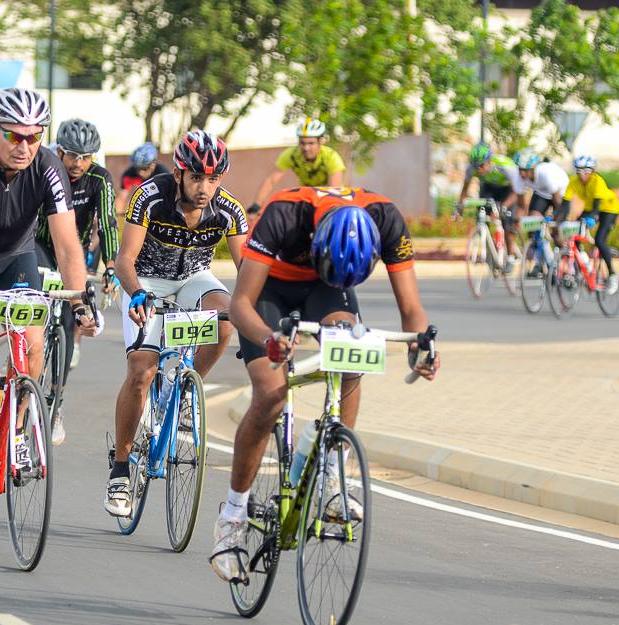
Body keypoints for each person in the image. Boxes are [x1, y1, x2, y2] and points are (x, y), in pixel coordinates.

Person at [211, 185, 440, 582]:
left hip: (329, 287)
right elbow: (241, 303)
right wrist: (270, 338)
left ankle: (331, 469)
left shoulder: (386, 218)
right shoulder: (284, 213)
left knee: (353, 352)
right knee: (270, 394)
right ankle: (232, 517)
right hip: (269, 292)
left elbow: (411, 308)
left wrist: (420, 350)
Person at [0, 87, 97, 503]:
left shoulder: (48, 167)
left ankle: (17, 429)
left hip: (16, 258)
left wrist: (79, 299)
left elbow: (66, 246)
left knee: (34, 338)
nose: (24, 145)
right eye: (14, 136)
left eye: (34, 136)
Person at [104, 130, 248, 517]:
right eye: (198, 178)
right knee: (141, 371)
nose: (205, 188)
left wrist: (256, 311)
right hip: (145, 279)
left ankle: (187, 390)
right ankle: (120, 468)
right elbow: (124, 260)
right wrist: (135, 293)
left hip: (192, 280)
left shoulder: (229, 209)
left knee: (227, 319)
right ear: (181, 173)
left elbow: (247, 269)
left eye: (214, 179)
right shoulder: (150, 195)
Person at [33, 118, 119, 445]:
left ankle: (57, 399)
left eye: (87, 156)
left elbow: (108, 224)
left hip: (74, 251)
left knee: (71, 319)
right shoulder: (45, 168)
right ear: (59, 151)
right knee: (35, 302)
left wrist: (110, 265)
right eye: (73, 155)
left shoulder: (99, 178)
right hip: (39, 245)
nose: (79, 163)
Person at [247, 118, 345, 217]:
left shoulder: (331, 157)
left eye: (311, 143)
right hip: (306, 196)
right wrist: (256, 206)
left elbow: (333, 190)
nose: (306, 148)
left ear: (321, 141)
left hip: (331, 198)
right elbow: (271, 180)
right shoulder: (291, 155)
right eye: (302, 143)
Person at [455, 142, 524, 270]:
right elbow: (464, 190)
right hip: (489, 188)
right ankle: (490, 251)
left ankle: (510, 257)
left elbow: (517, 192)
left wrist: (503, 206)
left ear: (489, 161)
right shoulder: (472, 168)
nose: (478, 169)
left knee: (507, 223)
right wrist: (459, 208)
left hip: (508, 190)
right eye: (476, 166)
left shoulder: (506, 166)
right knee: (481, 217)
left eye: (481, 165)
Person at [557, 155, 619, 295]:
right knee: (574, 234)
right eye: (578, 171)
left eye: (585, 171)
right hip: (591, 209)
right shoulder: (573, 181)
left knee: (599, 239)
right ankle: (584, 262)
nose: (582, 175)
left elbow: (597, 207)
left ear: (591, 171)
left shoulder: (597, 181)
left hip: (609, 209)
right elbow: (565, 203)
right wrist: (556, 218)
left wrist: (593, 217)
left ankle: (612, 274)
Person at [116, 142, 168, 214]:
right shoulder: (129, 174)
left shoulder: (163, 174)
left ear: (153, 164)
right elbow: (121, 198)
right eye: (137, 168)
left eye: (144, 168)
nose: (140, 172)